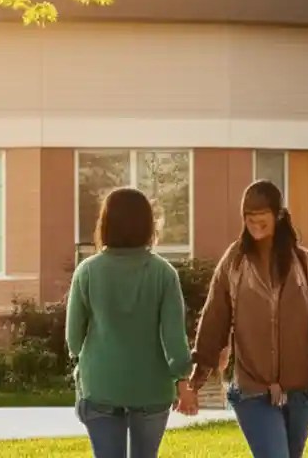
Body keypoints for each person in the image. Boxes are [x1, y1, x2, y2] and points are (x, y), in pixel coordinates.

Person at [189, 180, 308, 458]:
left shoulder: (306, 264)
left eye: (262, 219)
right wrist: (198, 374)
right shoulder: (234, 262)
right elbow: (215, 318)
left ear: (279, 216)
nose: (255, 226)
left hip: (301, 393)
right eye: (249, 219)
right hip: (252, 390)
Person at [65, 188, 197, 458]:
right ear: (148, 225)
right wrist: (183, 379)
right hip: (151, 390)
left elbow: (74, 341)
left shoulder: (87, 272)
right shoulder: (164, 273)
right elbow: (174, 338)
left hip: (100, 386)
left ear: (105, 224)